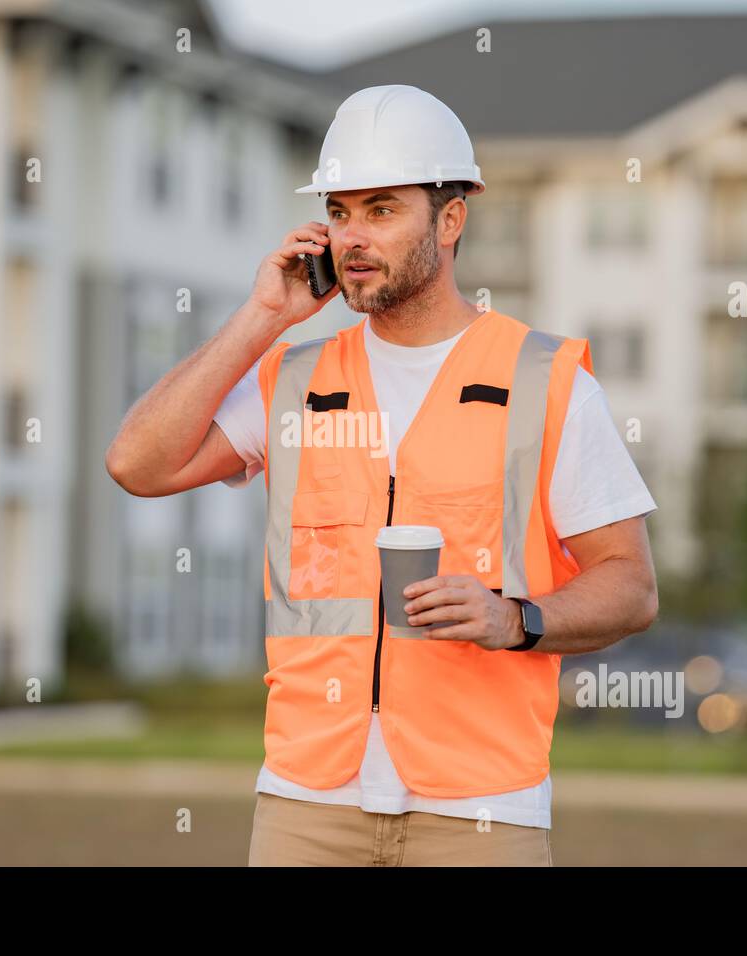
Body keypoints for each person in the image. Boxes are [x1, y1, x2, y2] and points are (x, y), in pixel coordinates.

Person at [107, 85, 659, 866]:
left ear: (451, 218)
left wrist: (515, 618)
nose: (352, 237)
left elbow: (630, 586)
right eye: (339, 213)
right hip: (306, 800)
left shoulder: (547, 381)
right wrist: (263, 317)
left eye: (381, 210)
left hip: (481, 809)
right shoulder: (293, 381)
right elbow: (137, 463)